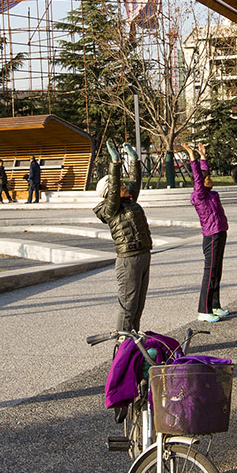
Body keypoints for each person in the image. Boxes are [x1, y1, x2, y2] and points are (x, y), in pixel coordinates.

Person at [95, 142, 153, 333]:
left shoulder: (129, 202)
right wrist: (115, 163)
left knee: (139, 304)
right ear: (109, 193)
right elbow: (113, 189)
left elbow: (135, 182)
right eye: (120, 185)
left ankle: (133, 339)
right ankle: (122, 342)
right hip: (129, 259)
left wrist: (134, 161)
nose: (125, 186)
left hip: (143, 254)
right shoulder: (110, 209)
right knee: (128, 304)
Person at [181, 142, 229, 323]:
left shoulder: (211, 194)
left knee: (217, 271)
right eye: (207, 177)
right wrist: (192, 157)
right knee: (210, 273)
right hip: (212, 236)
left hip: (221, 232)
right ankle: (204, 310)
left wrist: (203, 156)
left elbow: (203, 173)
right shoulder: (199, 195)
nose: (211, 178)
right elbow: (198, 177)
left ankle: (215, 305)